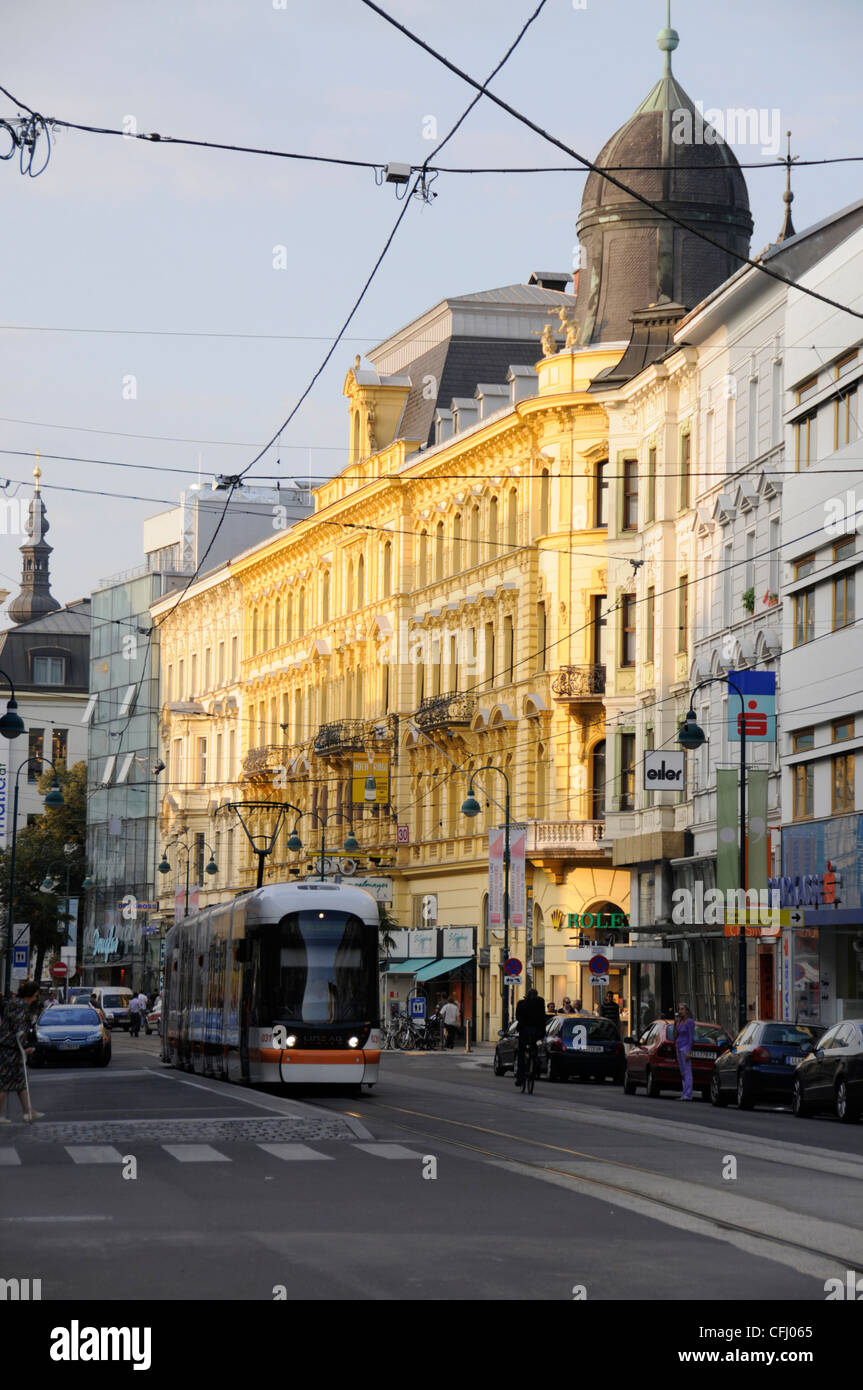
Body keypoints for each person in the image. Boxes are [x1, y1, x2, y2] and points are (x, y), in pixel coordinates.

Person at [0, 981, 44, 1123]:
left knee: (19, 1082)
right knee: (4, 1083)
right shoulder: (19, 1006)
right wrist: (25, 1047)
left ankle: (28, 1112)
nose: (37, 999)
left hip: (11, 1048)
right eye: (36, 996)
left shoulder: (15, 1004)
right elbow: (18, 1030)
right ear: (29, 995)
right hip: (10, 1049)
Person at [514, 986, 547, 1086]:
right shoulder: (540, 1002)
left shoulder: (521, 1003)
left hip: (525, 1031)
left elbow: (518, 1017)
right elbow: (543, 1017)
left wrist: (521, 1024)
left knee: (521, 1053)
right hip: (536, 1031)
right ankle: (535, 1060)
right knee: (534, 1046)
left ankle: (520, 1077)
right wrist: (542, 1032)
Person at [673, 1003, 695, 1100]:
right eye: (679, 1009)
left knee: (687, 1071)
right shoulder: (679, 1022)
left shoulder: (690, 1022)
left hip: (685, 1047)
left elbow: (691, 1037)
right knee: (682, 1071)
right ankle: (684, 1092)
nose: (680, 1011)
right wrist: (675, 1023)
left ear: (686, 1011)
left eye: (682, 1009)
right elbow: (675, 1035)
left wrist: (689, 1052)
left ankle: (688, 1094)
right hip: (678, 1047)